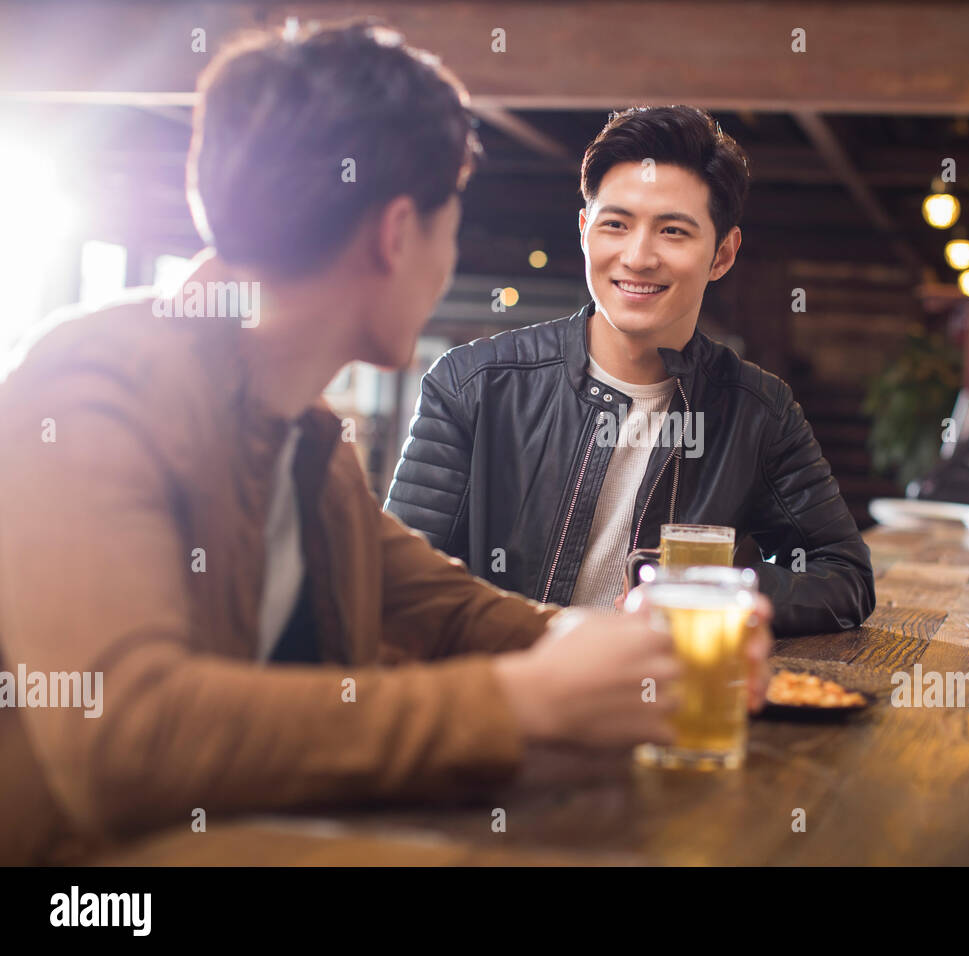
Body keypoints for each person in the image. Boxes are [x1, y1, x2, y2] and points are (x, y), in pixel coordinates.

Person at [0, 22, 770, 866]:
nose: (450, 254)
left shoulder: (302, 431)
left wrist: (634, 648)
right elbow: (125, 740)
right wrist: (515, 703)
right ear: (397, 233)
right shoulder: (90, 392)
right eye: (452, 222)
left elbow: (448, 612)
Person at [386, 106, 875, 635]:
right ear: (584, 230)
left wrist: (715, 585)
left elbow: (844, 577)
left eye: (673, 231)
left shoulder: (759, 411)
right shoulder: (473, 383)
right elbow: (394, 583)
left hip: (663, 705)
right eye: (615, 225)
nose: (638, 257)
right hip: (508, 700)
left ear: (723, 255)